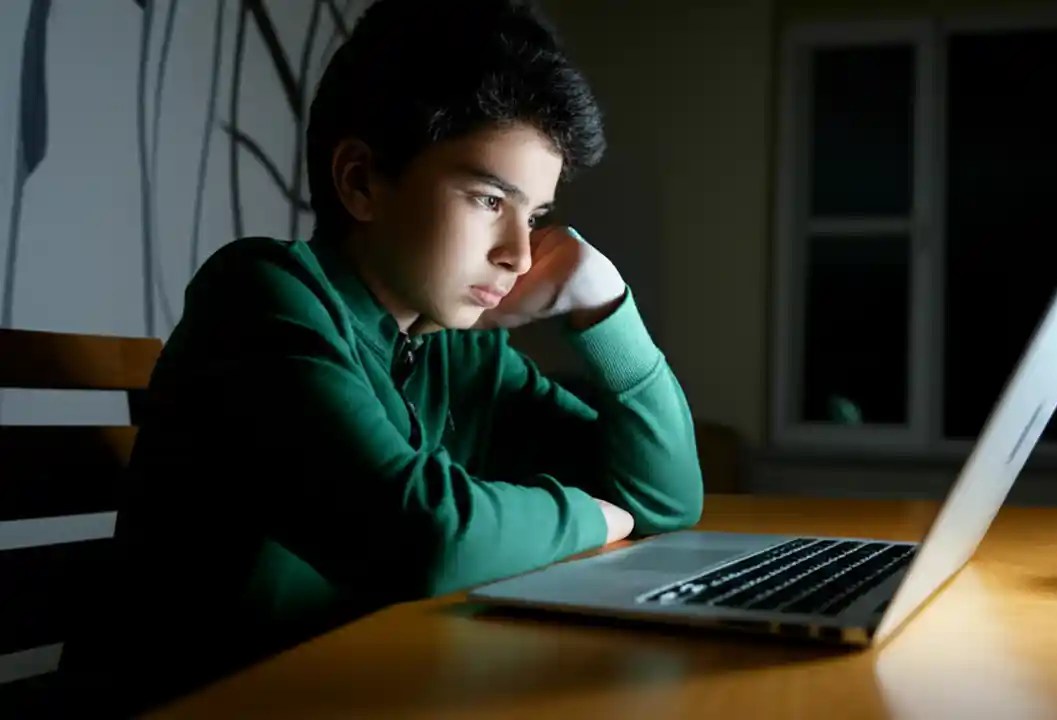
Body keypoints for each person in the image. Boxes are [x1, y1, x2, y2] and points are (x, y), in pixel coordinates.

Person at [59, 0, 703, 713]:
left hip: (361, 692)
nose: (520, 254)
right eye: (491, 200)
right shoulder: (259, 298)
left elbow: (664, 499)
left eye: (536, 217)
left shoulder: (453, 351)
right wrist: (596, 518)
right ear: (360, 181)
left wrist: (607, 309)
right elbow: (422, 536)